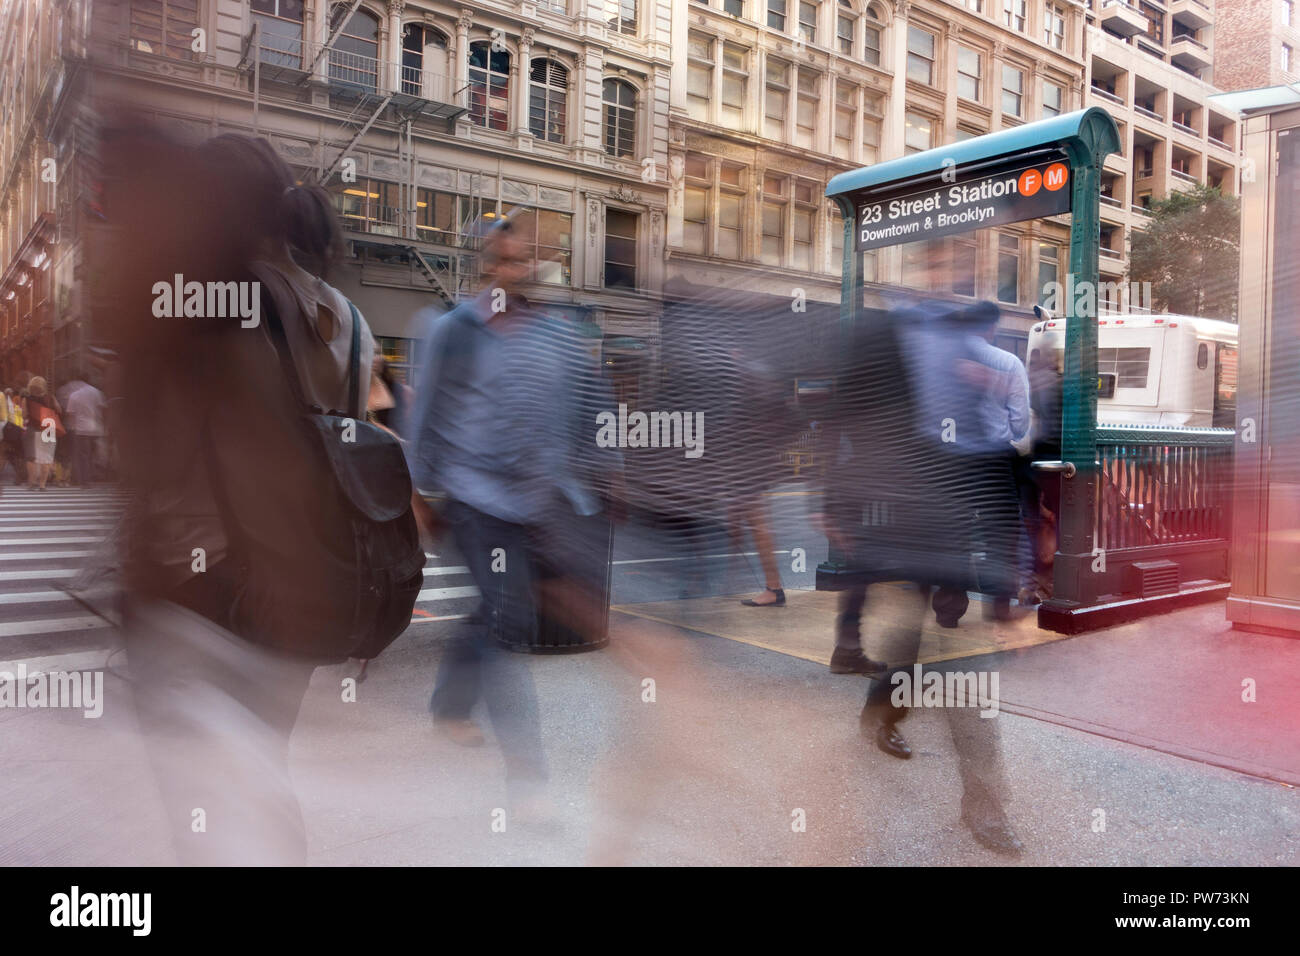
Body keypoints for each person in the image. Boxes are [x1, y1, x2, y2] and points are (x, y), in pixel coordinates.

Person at [104, 124, 377, 865]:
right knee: (257, 775)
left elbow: (156, 458)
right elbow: (349, 443)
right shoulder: (349, 321)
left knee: (202, 809)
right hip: (302, 591)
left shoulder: (208, 306)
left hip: (201, 587)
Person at [406, 213, 620, 813]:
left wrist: (609, 473)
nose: (509, 270)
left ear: (533, 266)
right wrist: (419, 496)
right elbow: (425, 418)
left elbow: (592, 404)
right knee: (509, 625)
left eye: (519, 260)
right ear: (483, 266)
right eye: (498, 260)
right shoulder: (454, 331)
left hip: (537, 504)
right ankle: (528, 778)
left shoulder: (554, 337)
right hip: (474, 500)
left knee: (489, 612)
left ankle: (449, 703)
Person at [65, 373, 106, 486]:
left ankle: (83, 480)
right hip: (96, 428)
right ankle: (92, 476)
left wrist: (71, 427)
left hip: (81, 429)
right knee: (92, 454)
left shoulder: (74, 395)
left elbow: (70, 414)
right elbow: (102, 408)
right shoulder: (97, 392)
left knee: (82, 455)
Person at [23, 376, 63, 491]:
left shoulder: (26, 399)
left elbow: (24, 415)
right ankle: (42, 485)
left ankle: (32, 483)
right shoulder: (50, 398)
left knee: (32, 457)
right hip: (48, 428)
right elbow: (59, 410)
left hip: (33, 428)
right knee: (46, 457)